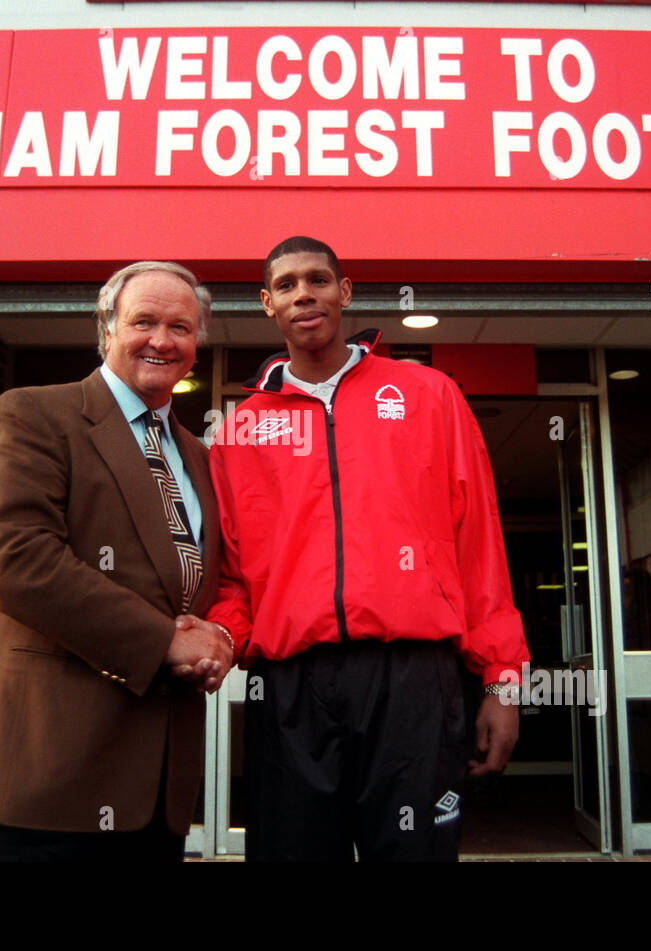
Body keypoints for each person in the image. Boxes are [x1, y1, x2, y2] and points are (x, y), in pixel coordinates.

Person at [188, 235, 530, 861]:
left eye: (318, 280)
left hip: (414, 682)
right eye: (286, 285)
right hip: (290, 688)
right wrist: (220, 638)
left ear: (345, 292)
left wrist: (503, 682)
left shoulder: (429, 396)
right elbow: (234, 580)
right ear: (267, 304)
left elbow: (478, 546)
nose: (304, 295)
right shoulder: (240, 431)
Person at [0, 261, 233, 862]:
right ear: (106, 332)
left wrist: (220, 636)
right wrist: (163, 642)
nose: (161, 339)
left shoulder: (202, 458)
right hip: (47, 777)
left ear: (195, 349)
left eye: (180, 327)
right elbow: (21, 562)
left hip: (157, 791)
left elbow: (208, 581)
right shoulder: (32, 414)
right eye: (143, 321)